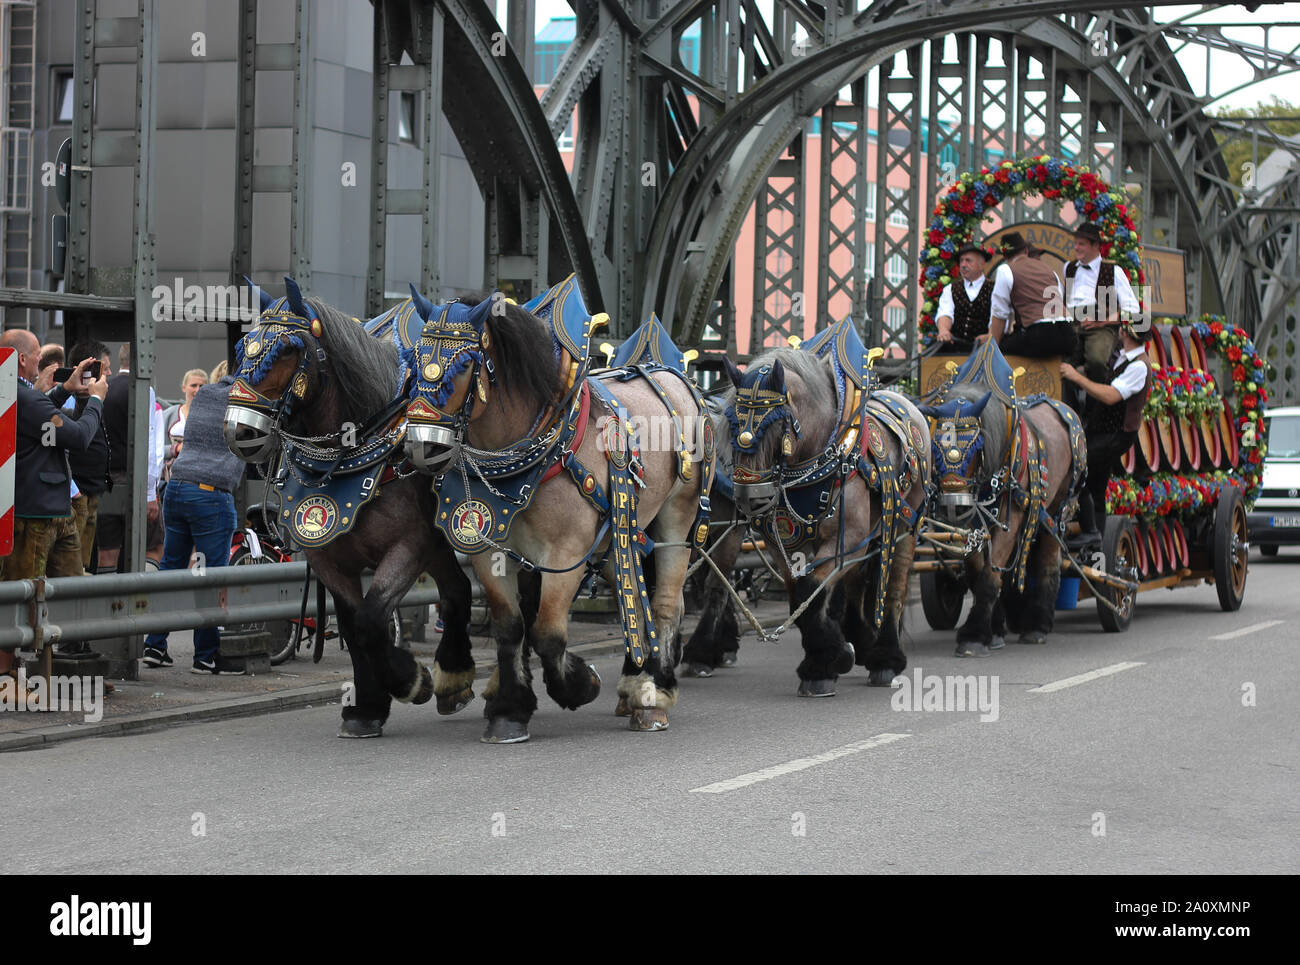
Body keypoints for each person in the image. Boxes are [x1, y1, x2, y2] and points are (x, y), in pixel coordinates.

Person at [0, 331, 107, 678]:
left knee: (66, 593)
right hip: (36, 515)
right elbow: (76, 437)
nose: (38, 365)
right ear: (22, 360)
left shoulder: (19, 395)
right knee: (24, 599)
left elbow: (41, 415)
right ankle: (9, 677)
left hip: (50, 509)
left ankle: (45, 675)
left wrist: (67, 389)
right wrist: (95, 401)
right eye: (35, 358)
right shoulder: (23, 397)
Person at [141, 375, 247, 674]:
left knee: (171, 569)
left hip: (177, 487)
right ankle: (205, 656)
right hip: (211, 496)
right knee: (210, 575)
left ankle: (155, 645)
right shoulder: (244, 398)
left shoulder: (205, 395)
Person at [1060, 322, 1154, 547]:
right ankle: (1097, 540)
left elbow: (1111, 395)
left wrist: (1076, 377)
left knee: (1077, 466)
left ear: (1125, 333)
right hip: (1103, 430)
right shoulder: (1124, 355)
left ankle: (1091, 530)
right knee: (1096, 484)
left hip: (1116, 434)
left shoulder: (1139, 366)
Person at [96, 347, 162, 572]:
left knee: (107, 554)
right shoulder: (145, 390)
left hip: (105, 483)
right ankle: (143, 603)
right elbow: (150, 444)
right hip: (135, 480)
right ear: (148, 359)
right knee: (152, 549)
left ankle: (105, 605)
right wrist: (151, 494)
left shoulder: (103, 388)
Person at [1064, 222, 1141, 383]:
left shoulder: (1113, 271)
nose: (1076, 247)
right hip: (1072, 327)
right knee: (1058, 361)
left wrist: (1101, 322)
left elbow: (1133, 309)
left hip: (1102, 329)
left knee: (1097, 360)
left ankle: (1096, 403)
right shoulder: (1069, 268)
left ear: (1096, 245)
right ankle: (1067, 404)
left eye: (1082, 244)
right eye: (1076, 243)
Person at [989, 232, 1077, 358]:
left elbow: (999, 313)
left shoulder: (1005, 270)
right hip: (1068, 335)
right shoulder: (1049, 271)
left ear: (1004, 255)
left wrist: (993, 348)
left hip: (1040, 336)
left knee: (1003, 349)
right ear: (1026, 251)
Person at [933, 244, 1011, 354]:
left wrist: (990, 336)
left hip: (985, 351)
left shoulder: (995, 289)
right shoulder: (950, 289)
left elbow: (1000, 317)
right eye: (961, 261)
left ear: (981, 264)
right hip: (955, 350)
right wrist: (944, 330)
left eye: (968, 260)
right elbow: (945, 313)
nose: (963, 265)